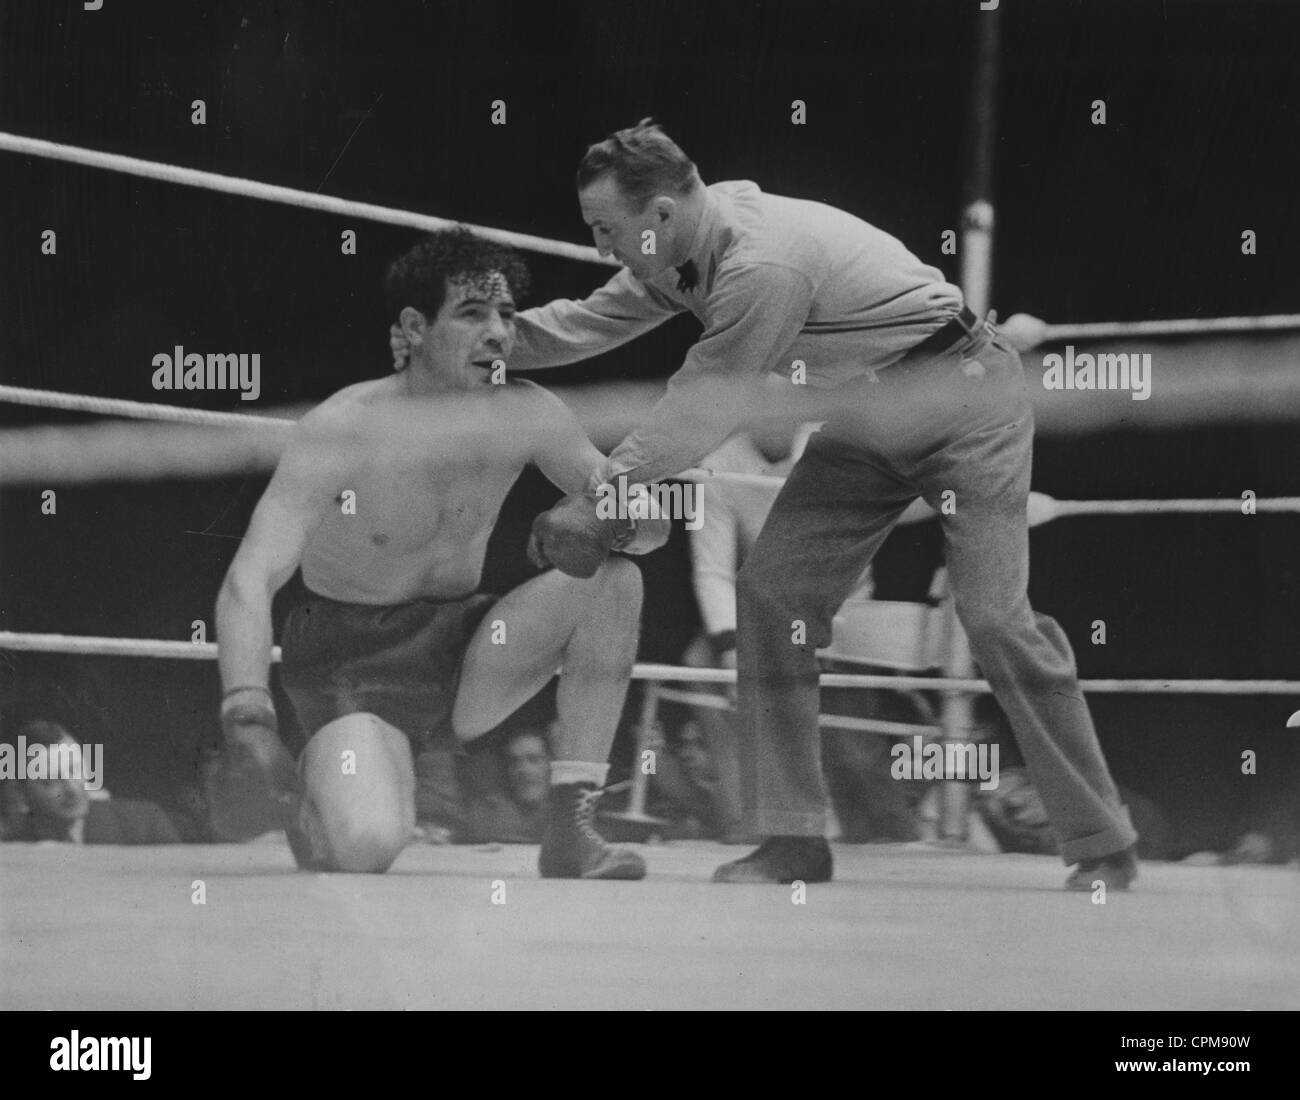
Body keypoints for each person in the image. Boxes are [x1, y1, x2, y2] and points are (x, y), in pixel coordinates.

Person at [501, 120, 1139, 889]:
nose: (603, 247)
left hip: (966, 400)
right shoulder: (679, 239)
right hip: (867, 413)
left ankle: (1104, 841)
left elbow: (704, 406)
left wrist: (599, 501)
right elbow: (591, 320)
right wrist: (485, 339)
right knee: (773, 595)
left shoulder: (763, 266)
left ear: (661, 215)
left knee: (997, 617)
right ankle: (794, 839)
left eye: (607, 230)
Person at [211, 228, 668, 877]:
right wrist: (247, 713)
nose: (499, 333)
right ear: (414, 327)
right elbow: (251, 576)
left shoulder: (527, 412)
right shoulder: (344, 427)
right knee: (366, 847)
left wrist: (609, 522)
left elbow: (654, 526)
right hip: (351, 663)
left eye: (507, 315)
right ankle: (322, 791)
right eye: (473, 313)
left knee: (616, 580)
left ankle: (571, 827)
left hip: (462, 651)